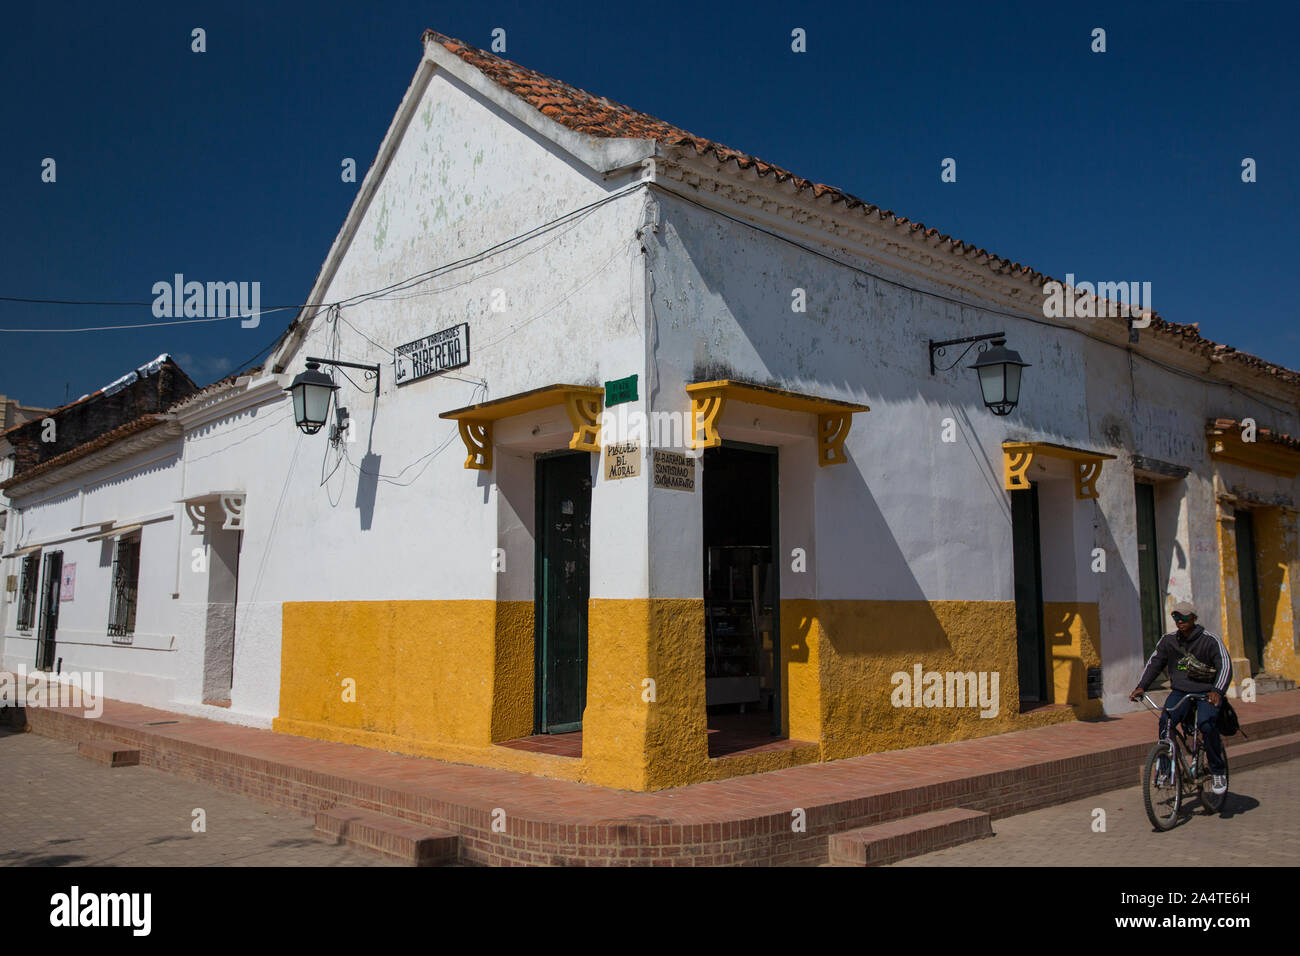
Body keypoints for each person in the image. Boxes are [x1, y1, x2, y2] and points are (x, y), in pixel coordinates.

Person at [1129, 601, 1231, 794]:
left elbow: (1225, 665)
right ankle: (1165, 771)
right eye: (1176, 617)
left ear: (1194, 618)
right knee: (1165, 722)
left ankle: (1218, 771)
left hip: (1206, 692)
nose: (1179, 621)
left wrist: (1217, 690)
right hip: (1181, 692)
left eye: (1183, 617)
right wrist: (1141, 687)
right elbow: (1155, 663)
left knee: (1207, 724)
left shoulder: (1210, 640)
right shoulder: (1169, 640)